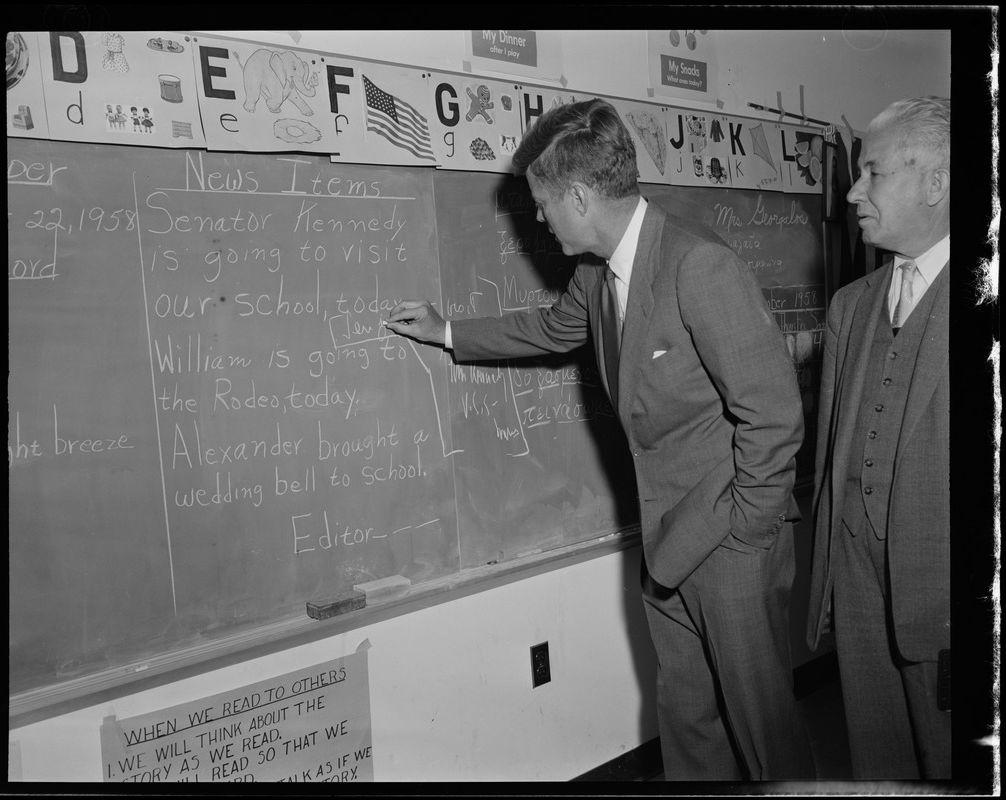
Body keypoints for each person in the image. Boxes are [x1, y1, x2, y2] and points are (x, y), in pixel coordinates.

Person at [386, 98, 814, 781]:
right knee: (689, 726)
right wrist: (447, 331)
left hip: (730, 544)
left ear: (580, 196)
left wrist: (746, 531)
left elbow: (774, 417)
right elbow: (553, 331)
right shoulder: (597, 272)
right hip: (668, 541)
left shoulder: (699, 268)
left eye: (543, 202)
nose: (537, 217)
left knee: (766, 739)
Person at [806, 96, 951, 780]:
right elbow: (833, 454)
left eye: (872, 172)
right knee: (878, 764)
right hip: (859, 595)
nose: (852, 191)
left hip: (949, 607)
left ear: (936, 181)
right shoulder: (850, 306)